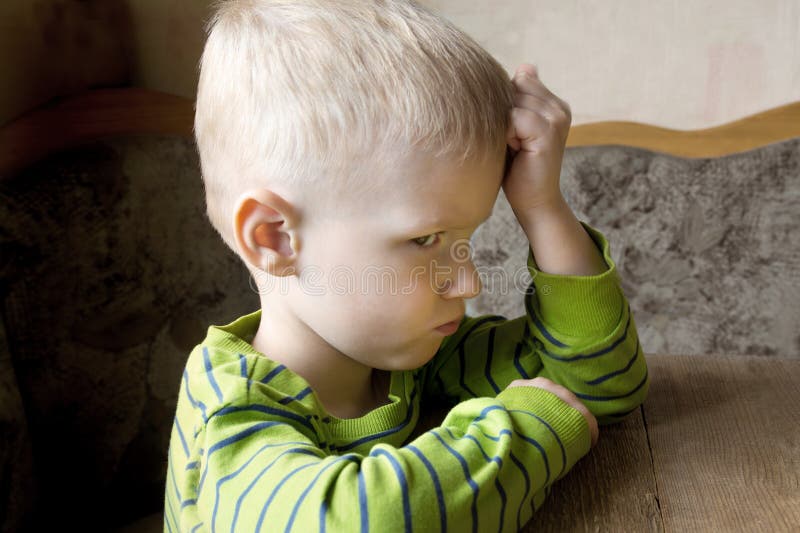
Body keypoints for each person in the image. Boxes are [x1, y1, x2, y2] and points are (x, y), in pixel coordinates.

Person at [164, 0, 649, 531]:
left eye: (467, 238)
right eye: (426, 239)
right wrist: (525, 429)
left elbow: (598, 382)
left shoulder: (414, 360)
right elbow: (361, 521)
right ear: (274, 238)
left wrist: (542, 206)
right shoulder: (231, 416)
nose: (468, 281)